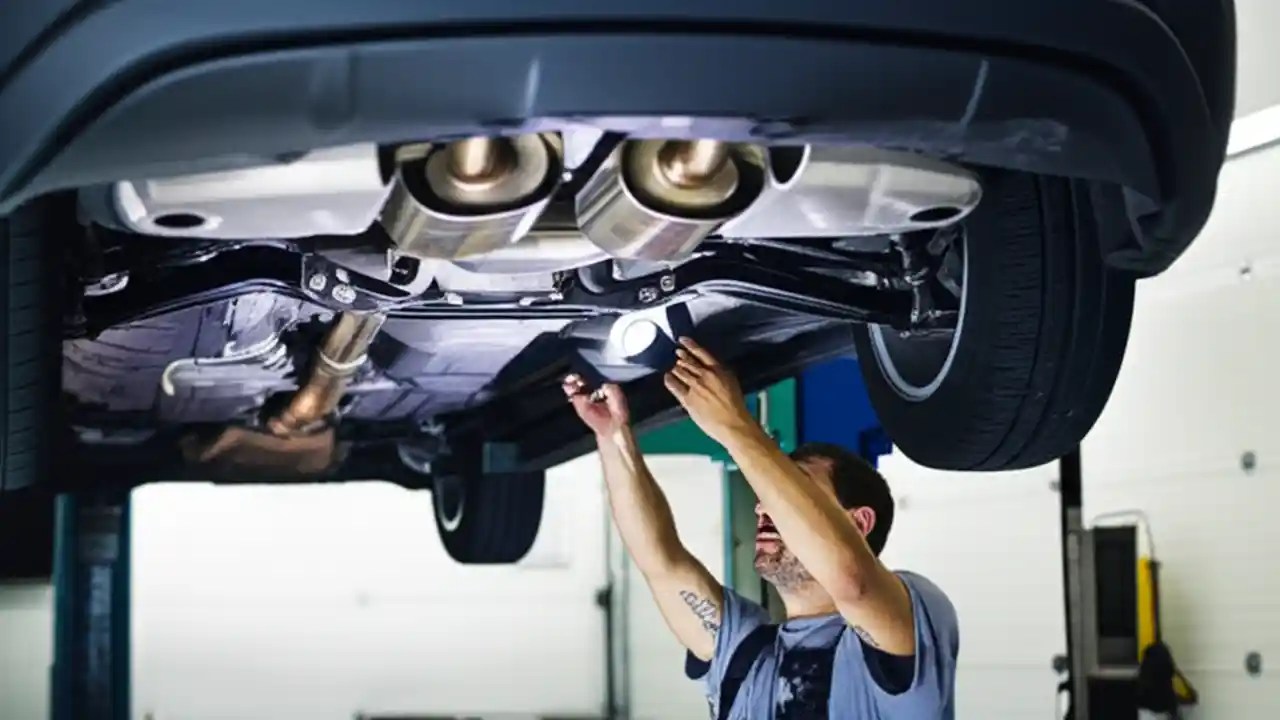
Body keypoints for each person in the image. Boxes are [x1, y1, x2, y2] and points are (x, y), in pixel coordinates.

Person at [563, 337, 959, 719]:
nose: (761, 504)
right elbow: (660, 561)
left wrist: (736, 427)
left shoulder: (911, 618)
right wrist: (613, 437)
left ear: (859, 522)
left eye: (795, 489)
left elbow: (852, 580)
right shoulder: (744, 650)